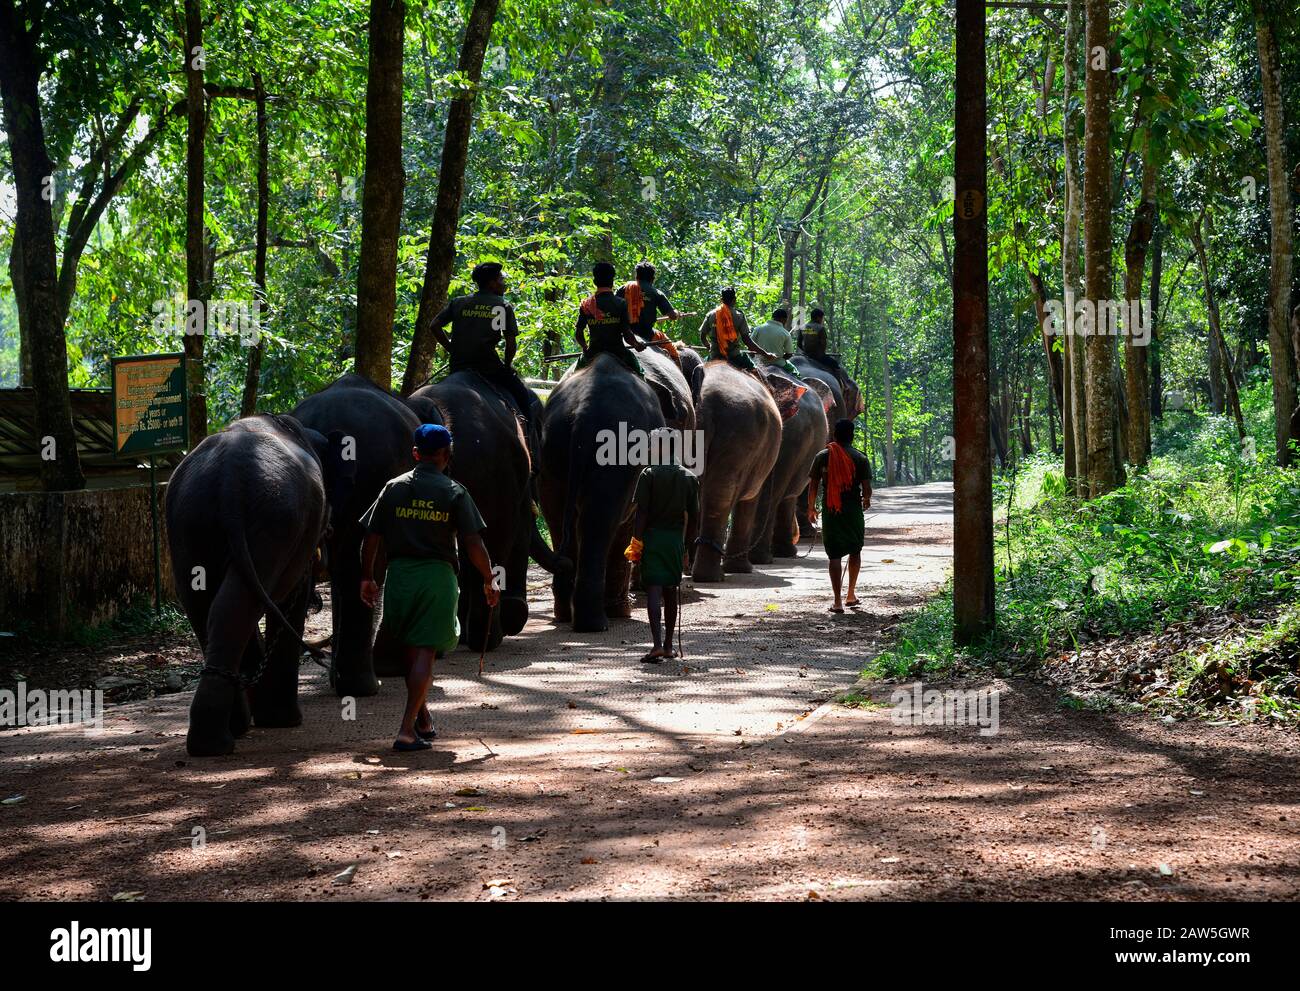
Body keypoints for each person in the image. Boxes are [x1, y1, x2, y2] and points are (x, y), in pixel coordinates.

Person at [359, 424, 499, 752]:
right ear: (447, 456)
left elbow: (371, 538)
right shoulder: (454, 491)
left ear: (415, 453)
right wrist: (489, 579)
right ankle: (407, 730)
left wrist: (367, 577)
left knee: (411, 647)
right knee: (425, 650)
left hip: (400, 576)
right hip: (437, 577)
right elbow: (473, 542)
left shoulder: (392, 488)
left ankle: (422, 718)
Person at [624, 430, 700, 662]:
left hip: (653, 539)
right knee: (670, 591)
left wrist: (636, 544)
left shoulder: (649, 474)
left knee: (654, 591)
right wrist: (687, 548)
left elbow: (642, 513)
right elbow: (695, 517)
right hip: (675, 540)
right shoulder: (689, 477)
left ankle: (656, 644)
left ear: (658, 448)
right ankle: (668, 646)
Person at [429, 262, 539, 421]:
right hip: (489, 368)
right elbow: (510, 344)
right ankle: (530, 437)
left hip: (458, 366)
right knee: (522, 395)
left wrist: (451, 349)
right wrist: (507, 366)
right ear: (492, 283)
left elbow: (434, 326)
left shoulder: (459, 302)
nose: (504, 284)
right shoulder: (502, 306)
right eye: (501, 280)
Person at [807, 418, 873, 614]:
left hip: (831, 509)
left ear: (835, 435)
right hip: (852, 511)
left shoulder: (823, 456)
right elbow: (867, 489)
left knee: (834, 554)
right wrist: (866, 500)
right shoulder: (860, 458)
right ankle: (851, 594)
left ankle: (837, 601)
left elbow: (813, 486)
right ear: (852, 436)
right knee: (855, 549)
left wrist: (811, 508)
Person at [576, 261, 648, 376]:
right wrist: (636, 344)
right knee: (640, 374)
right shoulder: (621, 303)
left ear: (595, 282)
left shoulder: (586, 304)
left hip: (593, 352)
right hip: (618, 353)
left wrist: (585, 349)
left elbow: (579, 333)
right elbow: (627, 334)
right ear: (612, 282)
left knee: (573, 380)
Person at [698, 286, 777, 372]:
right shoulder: (739, 316)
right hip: (735, 356)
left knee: (699, 370)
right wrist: (766, 354)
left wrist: (710, 347)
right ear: (734, 299)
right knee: (758, 374)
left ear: (721, 299)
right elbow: (747, 341)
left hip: (714, 356)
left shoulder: (711, 315)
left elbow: (702, 336)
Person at [617, 260, 684, 344]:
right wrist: (677, 313)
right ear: (653, 279)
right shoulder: (656, 293)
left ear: (636, 276)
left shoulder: (623, 288)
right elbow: (672, 316)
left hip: (622, 333)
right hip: (647, 335)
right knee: (671, 349)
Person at [797, 307, 847, 381]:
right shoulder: (820, 328)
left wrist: (805, 352)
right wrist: (821, 354)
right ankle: (843, 384)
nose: (822, 320)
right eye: (822, 318)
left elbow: (799, 344)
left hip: (805, 355)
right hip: (817, 356)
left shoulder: (802, 327)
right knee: (835, 364)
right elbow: (823, 344)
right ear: (818, 318)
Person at [751, 307, 800, 376]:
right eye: (786, 319)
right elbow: (789, 354)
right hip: (777, 363)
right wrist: (781, 358)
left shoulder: (758, 328)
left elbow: (750, 346)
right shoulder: (785, 333)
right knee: (796, 374)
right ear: (783, 319)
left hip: (758, 362)